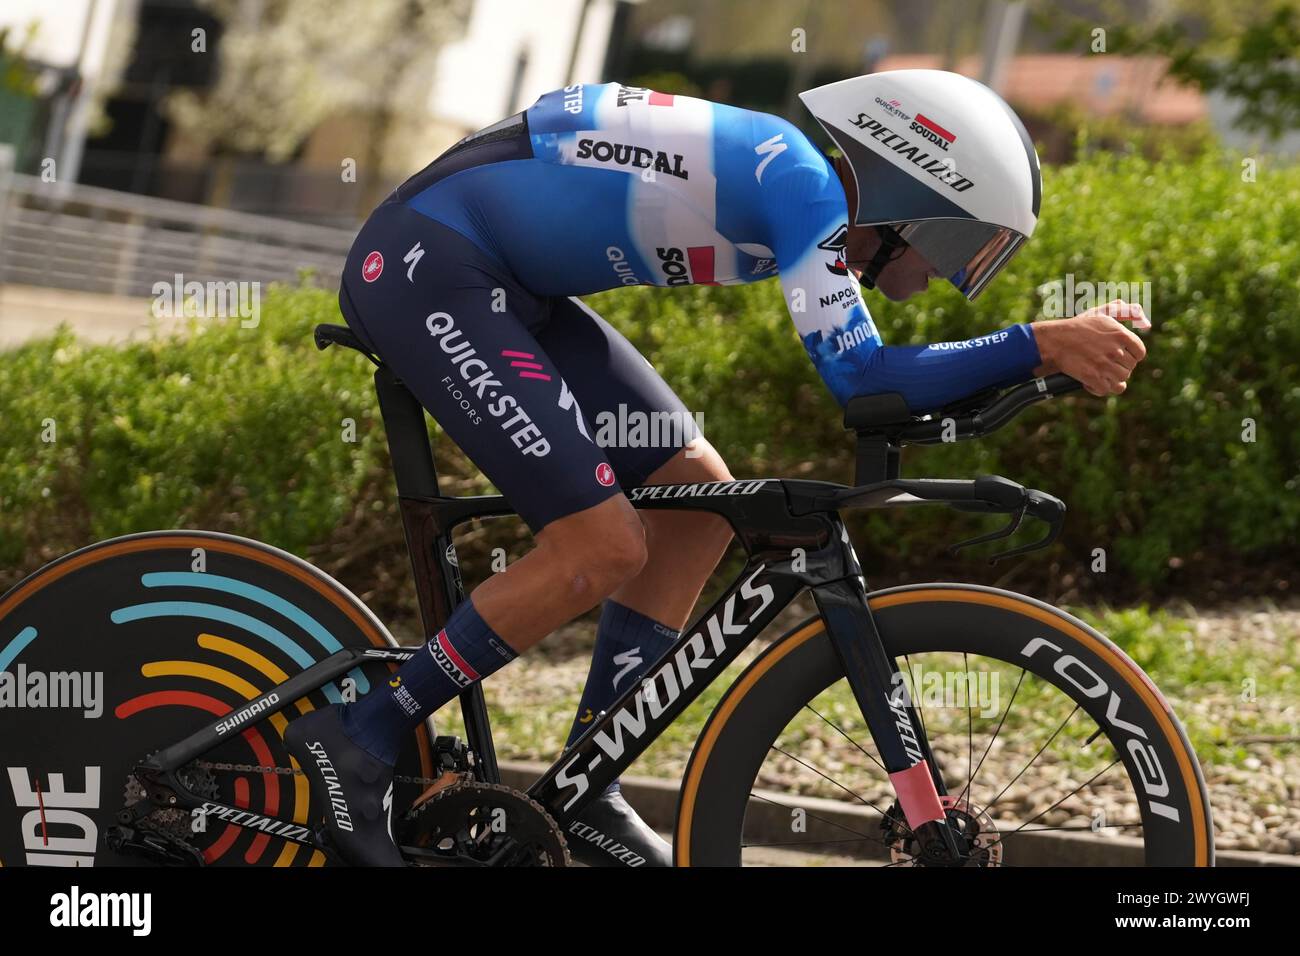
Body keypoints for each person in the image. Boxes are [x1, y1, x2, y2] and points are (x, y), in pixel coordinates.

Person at [285, 69, 1148, 867]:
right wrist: (1036, 341)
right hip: (431, 266)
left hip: (508, 283)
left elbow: (885, 391)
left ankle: (589, 781)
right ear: (907, 193)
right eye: (954, 244)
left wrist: (1035, 368)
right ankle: (361, 733)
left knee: (696, 501)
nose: (939, 280)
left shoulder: (797, 186)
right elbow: (865, 379)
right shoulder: (803, 188)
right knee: (604, 547)